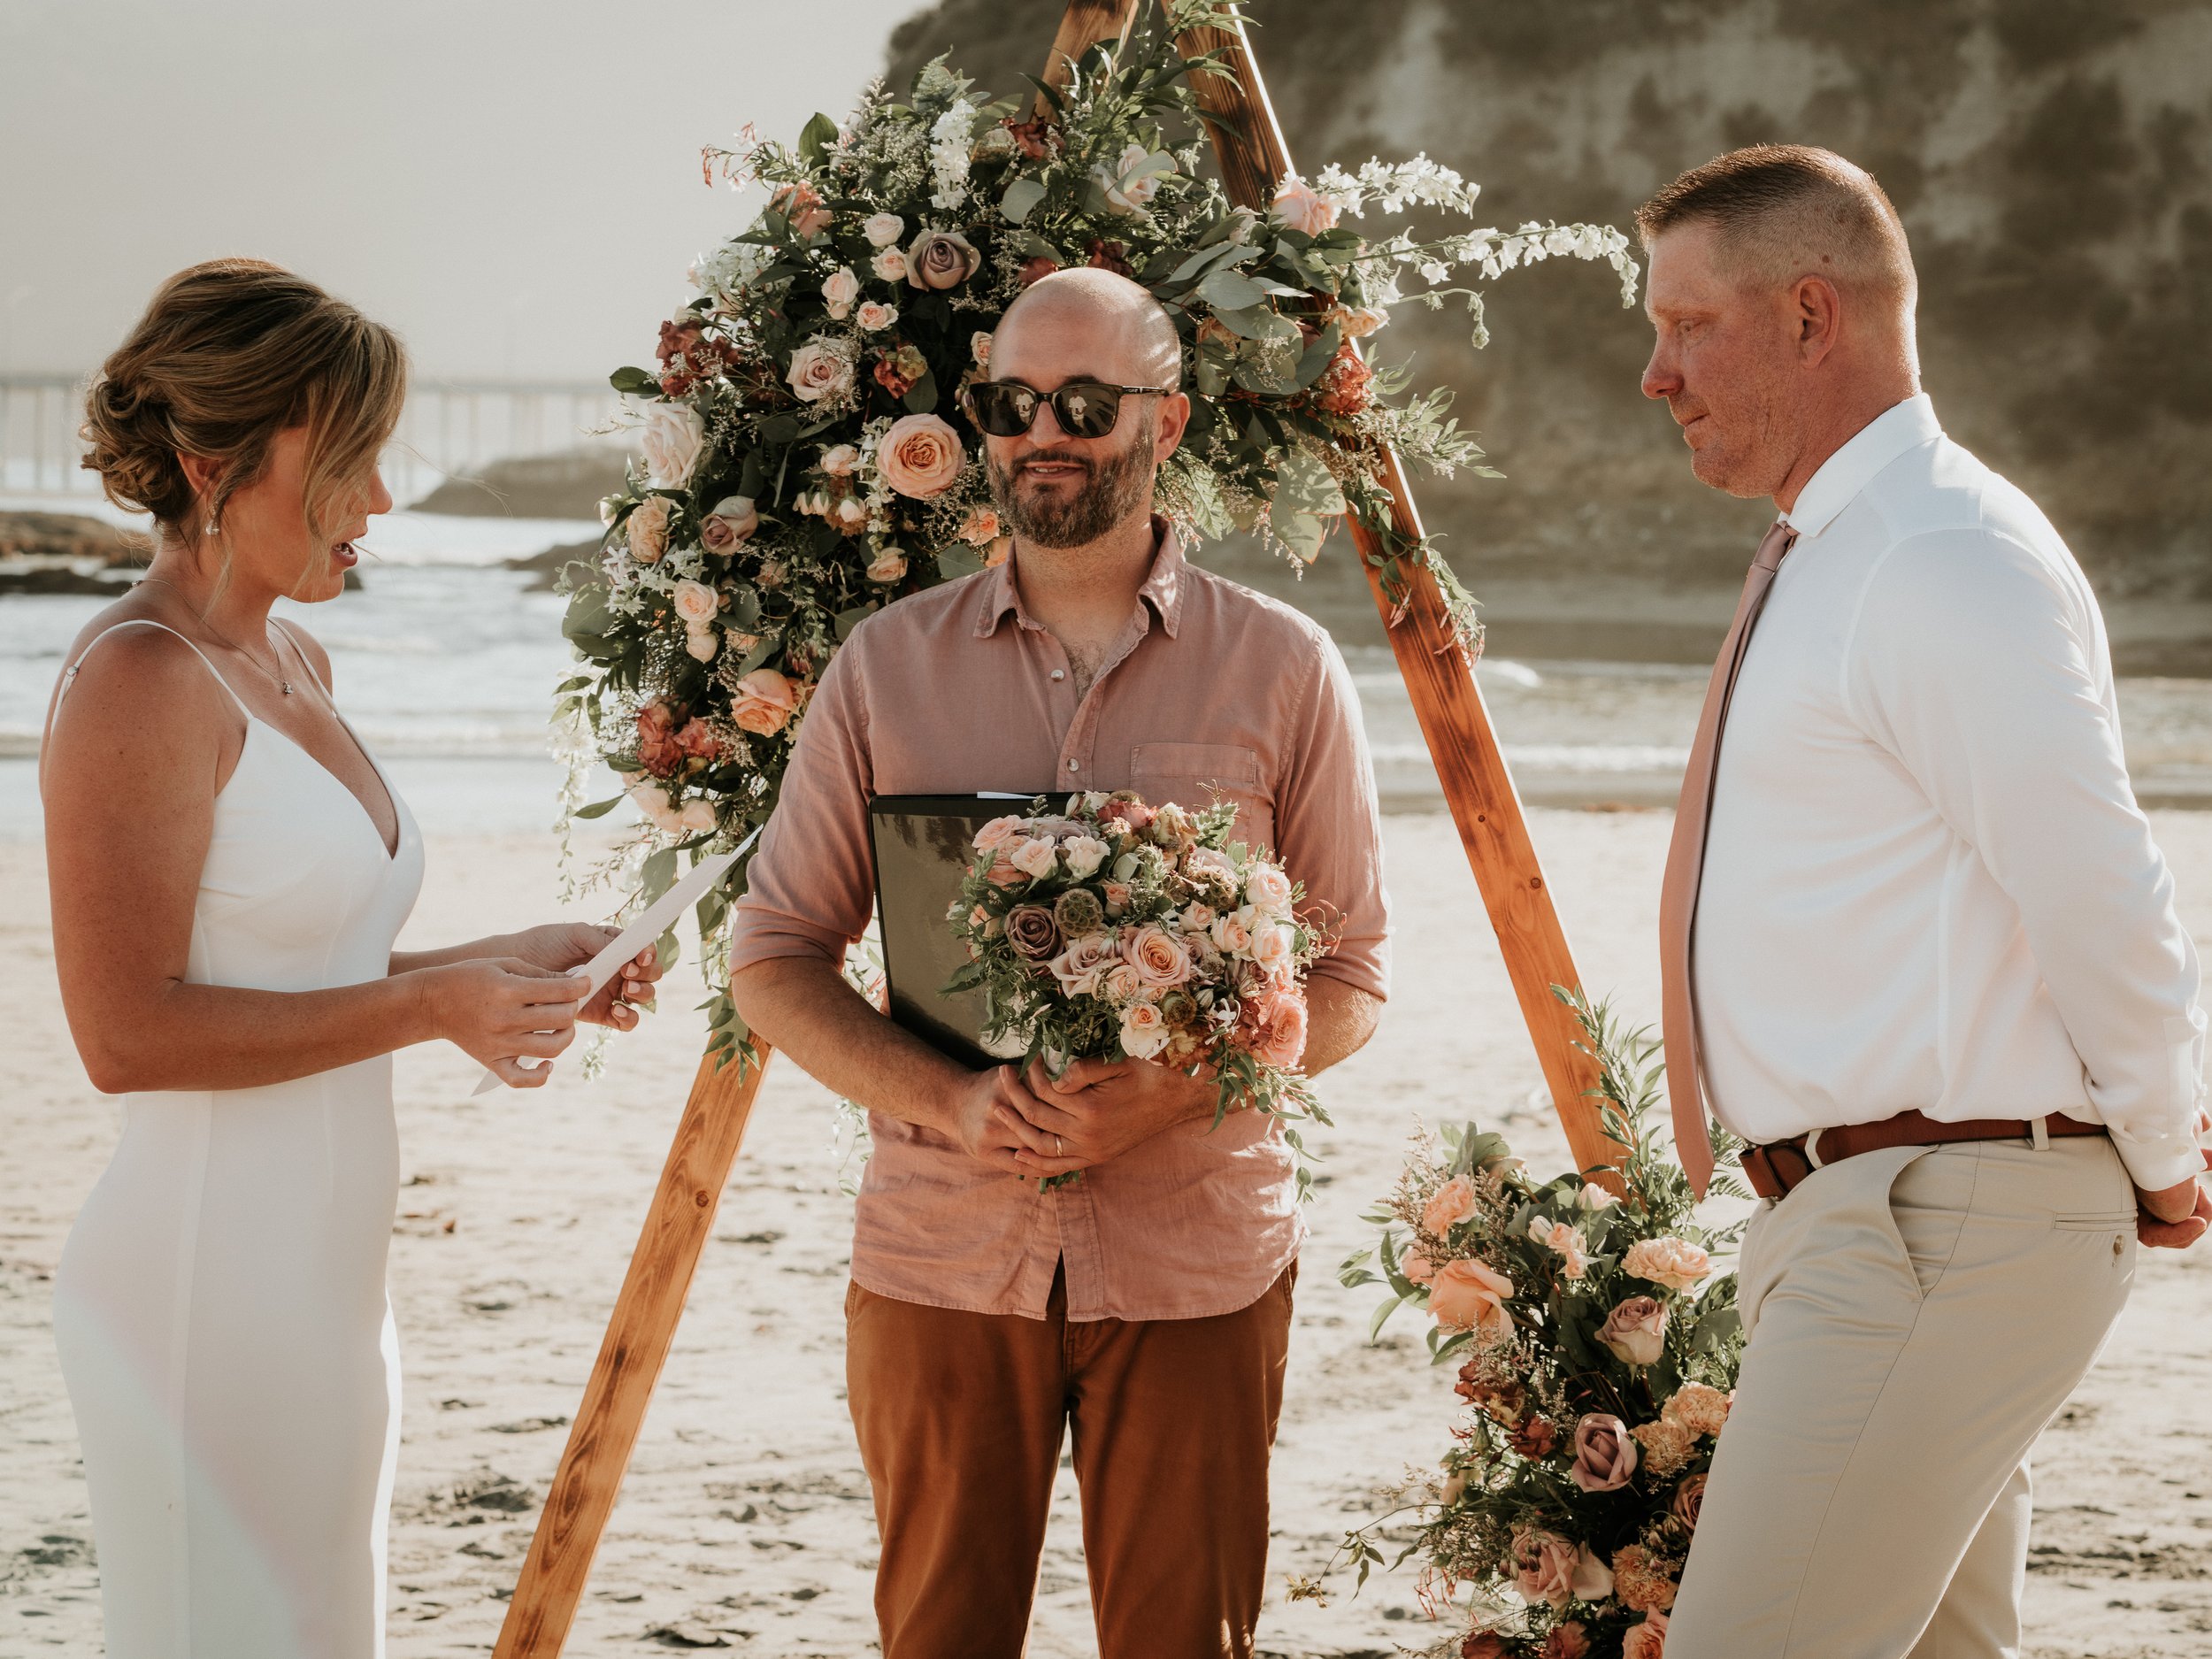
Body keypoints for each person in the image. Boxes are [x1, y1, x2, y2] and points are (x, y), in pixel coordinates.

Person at [726, 266, 1390, 1659]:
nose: (1045, 433)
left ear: (1169, 420)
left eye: (1086, 402)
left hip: (1198, 1257)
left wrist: (1180, 1093)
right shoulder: (880, 671)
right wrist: (953, 1101)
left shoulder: (1283, 669)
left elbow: (1350, 982)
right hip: (942, 1254)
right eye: (1010, 403)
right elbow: (777, 958)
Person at [41, 257, 664, 1658]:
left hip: (323, 1290)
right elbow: (125, 1035)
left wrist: (497, 963)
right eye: (356, 461)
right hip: (204, 1295)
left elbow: (307, 957)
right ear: (215, 465)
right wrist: (433, 1005)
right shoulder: (140, 680)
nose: (383, 501)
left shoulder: (295, 667)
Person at [1640, 146, 2210, 1655]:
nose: (1657, 374)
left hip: (1937, 1224)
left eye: (1689, 325)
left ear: (1813, 316)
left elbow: (2099, 883)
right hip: (1885, 1222)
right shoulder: (1849, 553)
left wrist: (2165, 1150)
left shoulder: (1939, 557)